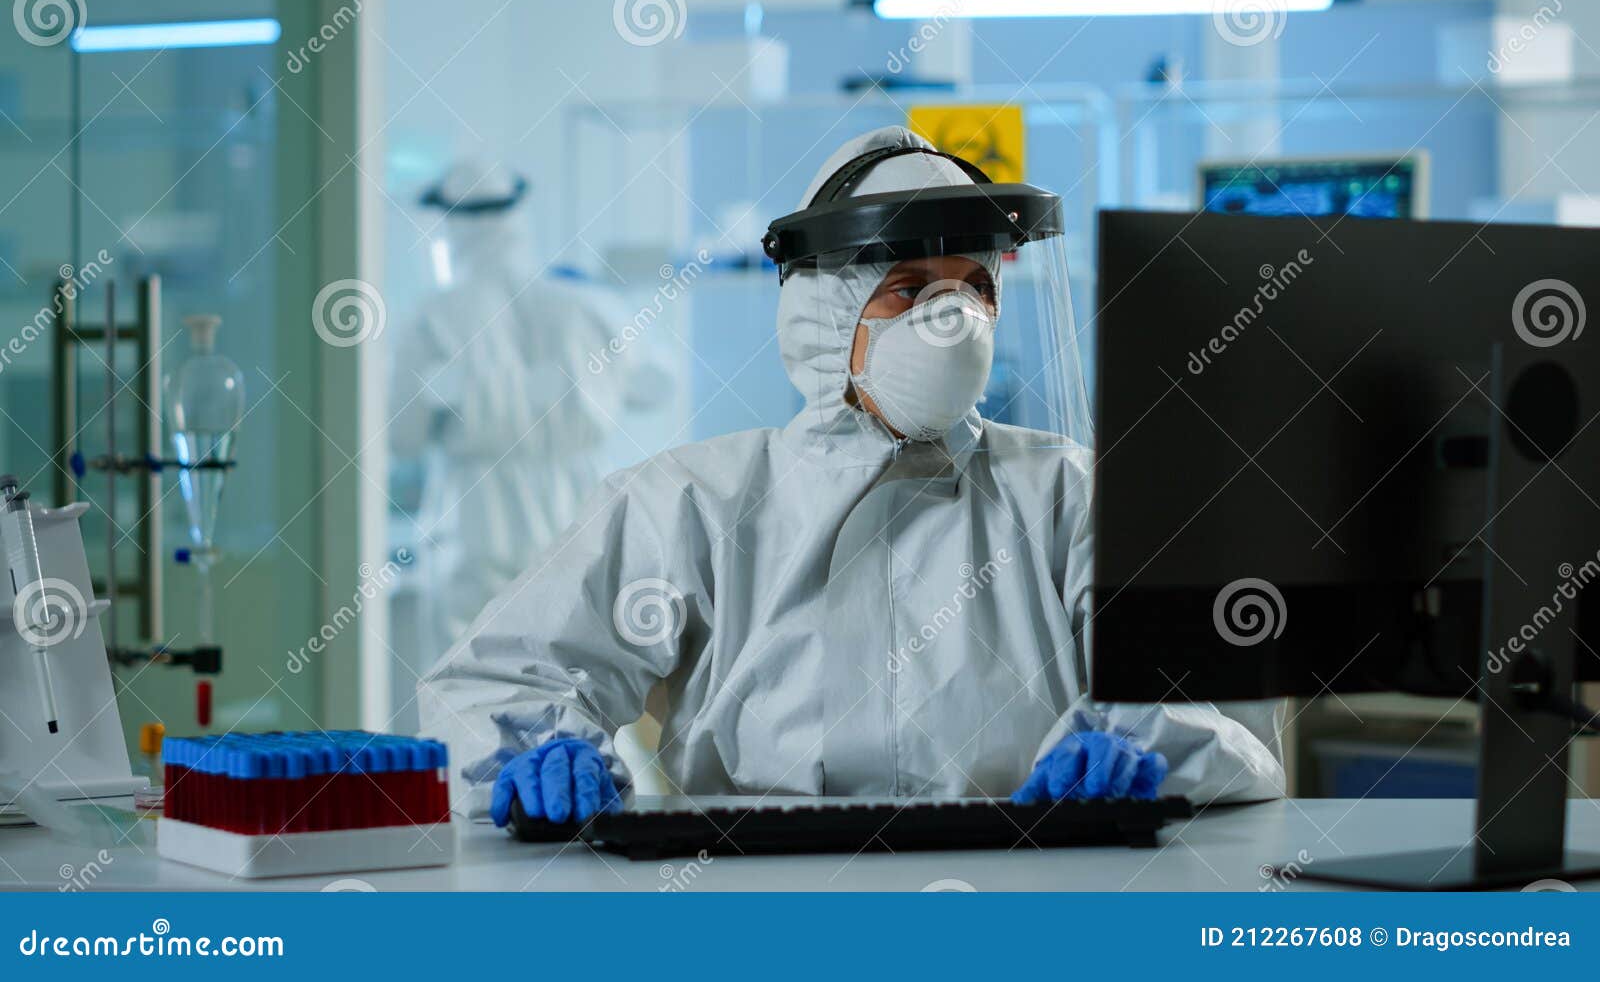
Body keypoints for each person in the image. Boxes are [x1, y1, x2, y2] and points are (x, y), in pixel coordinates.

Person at [418, 128, 1285, 825]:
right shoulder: (693, 500)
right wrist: (541, 750)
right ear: (829, 317)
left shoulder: (1069, 493)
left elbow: (1221, 710)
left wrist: (1150, 746)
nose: (959, 320)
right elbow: (501, 680)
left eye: (975, 287)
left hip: (1032, 884)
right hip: (756, 903)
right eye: (910, 290)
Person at [391, 161, 673, 666]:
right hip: (577, 509)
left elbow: (402, 437)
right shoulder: (589, 303)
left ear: (450, 225)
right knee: (577, 676)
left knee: (471, 686)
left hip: (476, 519)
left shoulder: (433, 319)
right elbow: (656, 386)